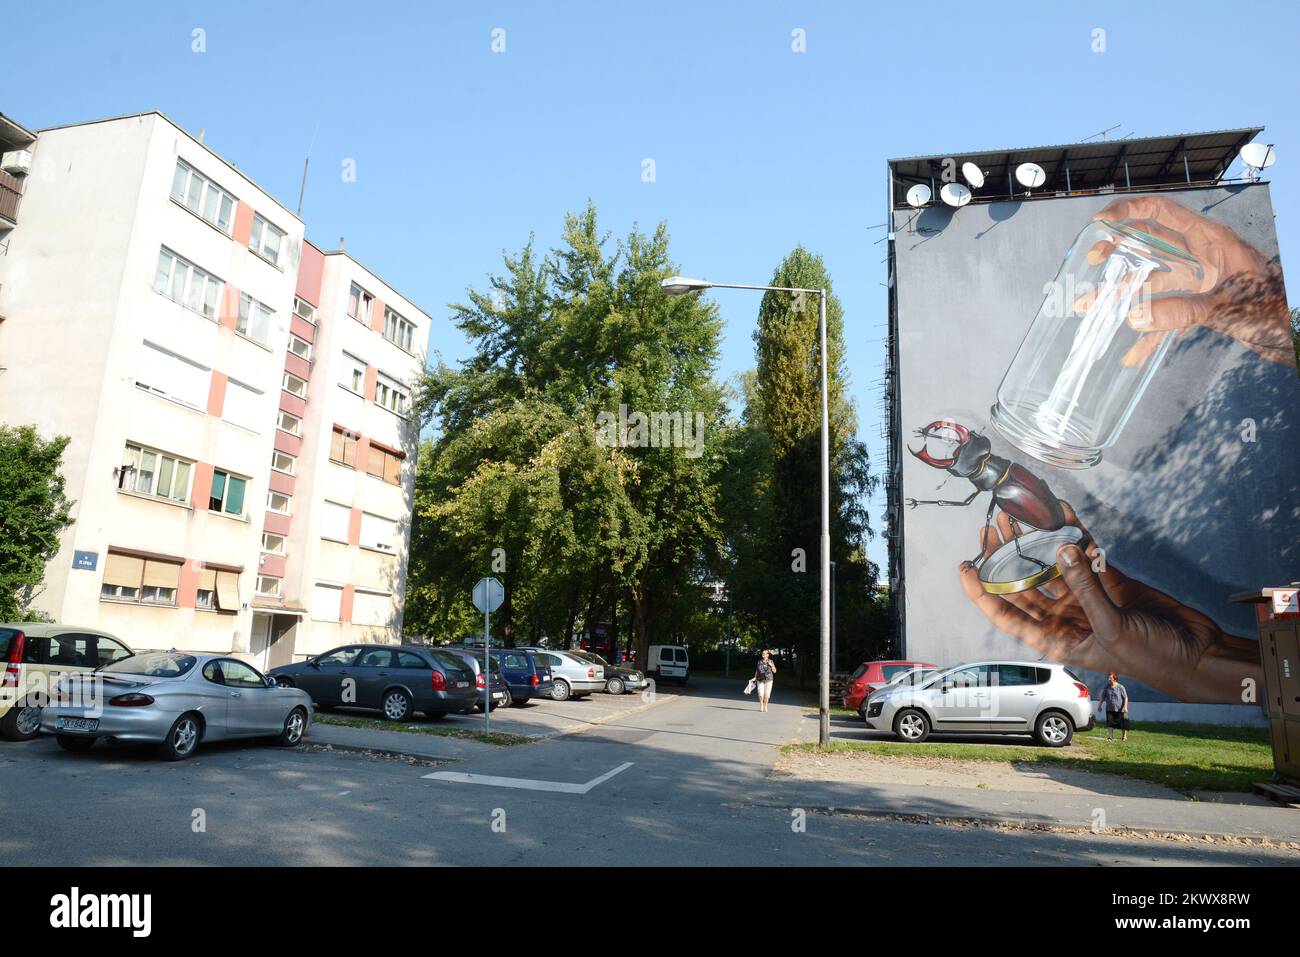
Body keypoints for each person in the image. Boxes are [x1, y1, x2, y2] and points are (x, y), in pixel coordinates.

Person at [1098, 672, 1130, 741]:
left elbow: (1126, 698)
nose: (1108, 679)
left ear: (1114, 679)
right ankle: (1110, 736)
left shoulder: (1120, 687)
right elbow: (1103, 697)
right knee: (1110, 723)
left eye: (1110, 678)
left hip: (1120, 709)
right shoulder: (1107, 687)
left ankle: (1124, 736)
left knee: (1123, 723)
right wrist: (1099, 705)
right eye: (1108, 678)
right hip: (1109, 708)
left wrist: (1125, 707)